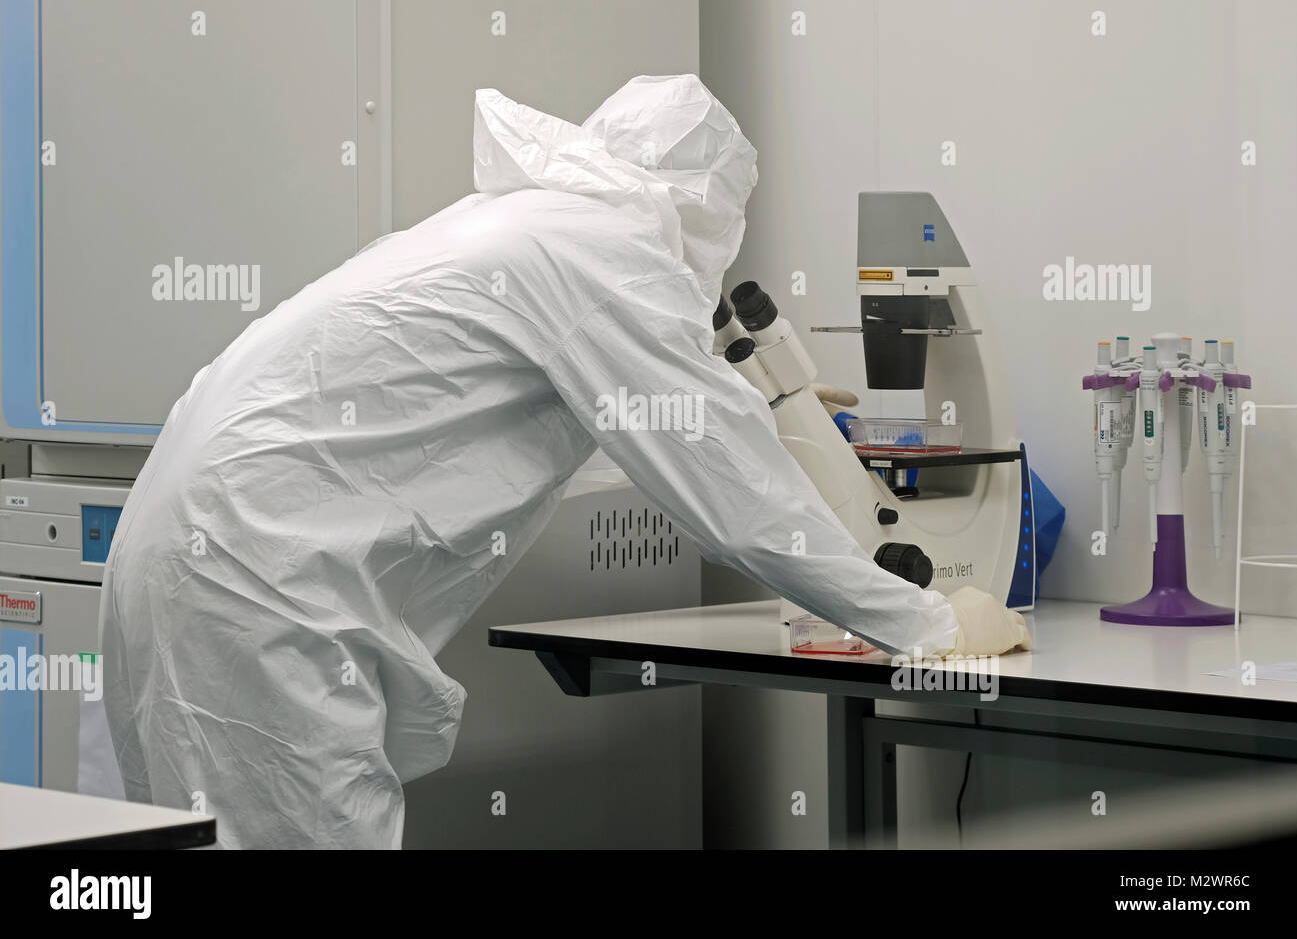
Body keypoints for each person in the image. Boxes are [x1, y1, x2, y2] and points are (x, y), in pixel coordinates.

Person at [101, 75, 1027, 849]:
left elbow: (539, 439)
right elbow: (730, 499)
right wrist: (929, 624)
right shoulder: (604, 253)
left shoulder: (520, 226)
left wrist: (744, 408)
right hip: (257, 580)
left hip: (177, 543)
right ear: (705, 206)